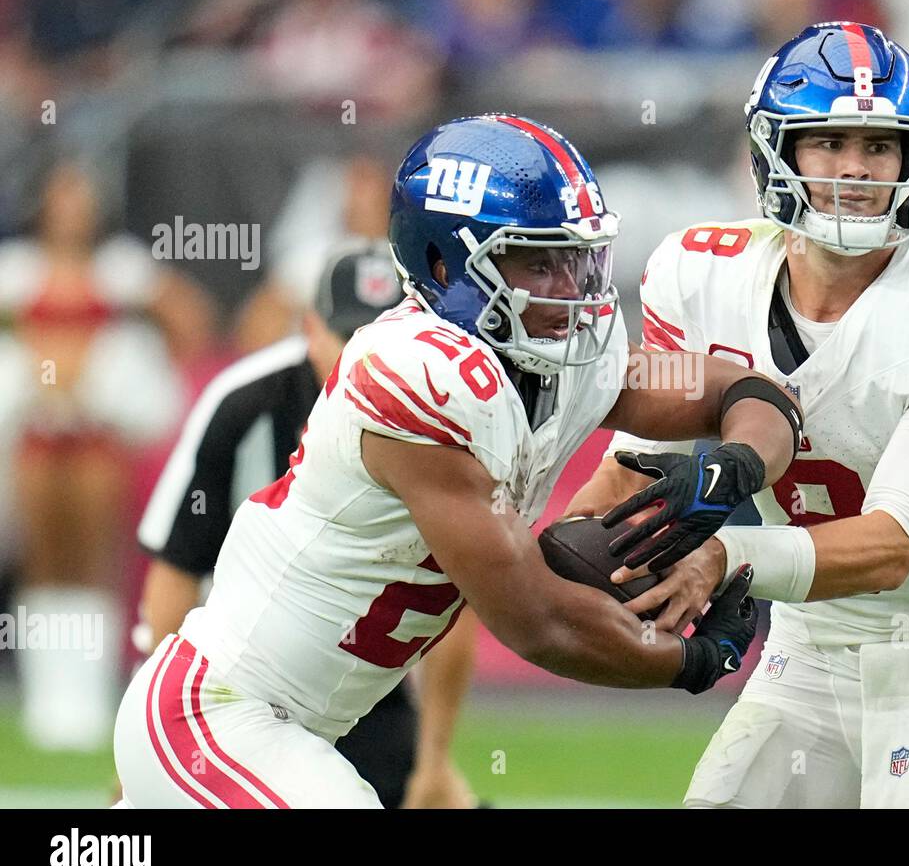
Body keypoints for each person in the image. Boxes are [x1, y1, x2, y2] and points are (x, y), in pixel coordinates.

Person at [113, 113, 801, 808]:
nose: (571, 288)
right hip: (215, 717)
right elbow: (538, 621)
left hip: (296, 730)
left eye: (576, 257)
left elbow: (737, 391)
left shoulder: (559, 355)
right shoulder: (420, 375)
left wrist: (735, 466)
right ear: (445, 262)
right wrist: (693, 661)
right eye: (539, 260)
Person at [568, 22, 909, 808]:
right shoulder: (697, 275)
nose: (856, 167)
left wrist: (724, 558)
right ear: (775, 151)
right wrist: (539, 568)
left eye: (879, 146)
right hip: (813, 659)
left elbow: (892, 545)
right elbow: (632, 468)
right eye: (828, 142)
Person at [134, 238, 478, 808]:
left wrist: (435, 758)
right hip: (235, 682)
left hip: (366, 694)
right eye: (348, 338)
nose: (362, 360)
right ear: (310, 329)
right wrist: (147, 744)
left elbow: (455, 597)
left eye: (380, 339)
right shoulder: (243, 404)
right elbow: (177, 568)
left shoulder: (432, 420)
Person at [0, 159, 212, 750]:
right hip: (37, 432)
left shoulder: (120, 270)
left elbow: (188, 316)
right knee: (44, 556)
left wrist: (138, 363)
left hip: (96, 433)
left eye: (82, 196)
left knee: (95, 558)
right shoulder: (18, 271)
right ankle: (48, 699)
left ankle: (89, 698)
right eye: (63, 196)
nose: (74, 208)